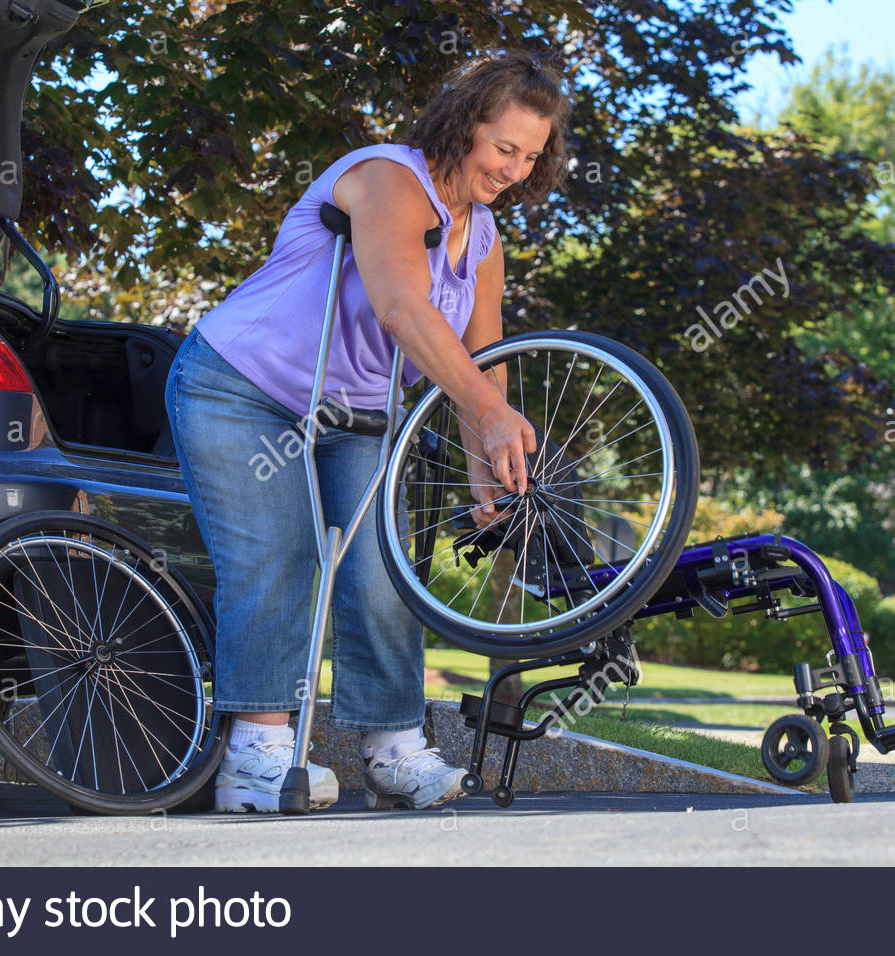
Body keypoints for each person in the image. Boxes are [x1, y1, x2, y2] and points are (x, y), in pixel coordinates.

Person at [163, 49, 572, 813]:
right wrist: (488, 414)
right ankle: (256, 759)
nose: (515, 169)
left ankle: (392, 749)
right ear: (463, 125)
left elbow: (485, 363)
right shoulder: (387, 177)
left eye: (531, 156)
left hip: (357, 410)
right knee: (278, 558)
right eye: (503, 147)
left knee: (385, 571)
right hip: (244, 389)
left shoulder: (481, 239)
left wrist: (488, 456)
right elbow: (403, 309)